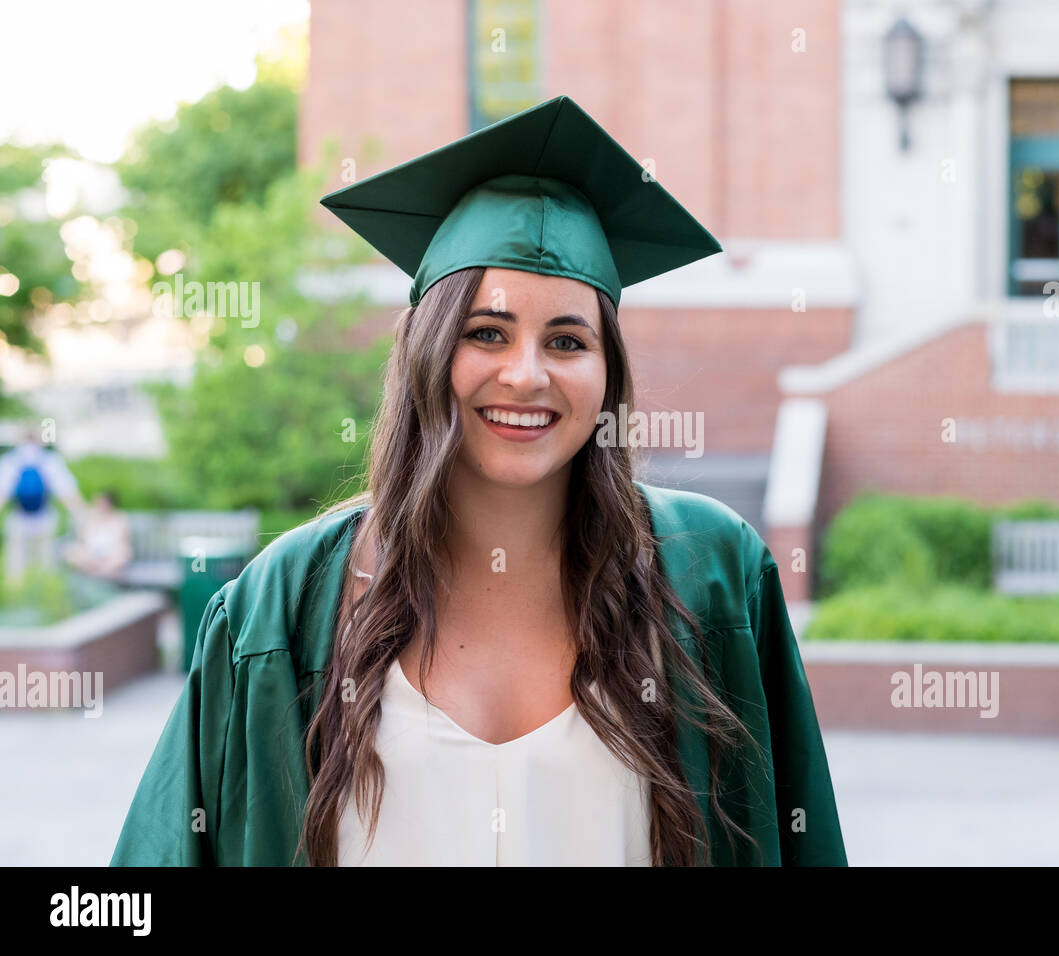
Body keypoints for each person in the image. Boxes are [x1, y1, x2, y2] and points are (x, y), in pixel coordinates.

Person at [110, 95, 847, 867]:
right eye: (486, 332)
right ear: (429, 352)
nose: (526, 375)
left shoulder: (712, 573)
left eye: (567, 340)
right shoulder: (283, 604)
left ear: (608, 374)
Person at [0, 426, 85, 588]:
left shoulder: (11, 461)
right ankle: (41, 594)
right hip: (41, 518)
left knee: (17, 566)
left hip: (21, 518)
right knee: (45, 563)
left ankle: (20, 595)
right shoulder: (48, 460)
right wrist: (81, 514)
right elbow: (66, 491)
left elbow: (2, 493)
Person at [63, 490, 132, 578]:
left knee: (124, 553)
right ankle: (102, 571)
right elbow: (82, 539)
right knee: (72, 552)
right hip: (91, 553)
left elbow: (124, 541)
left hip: (112, 553)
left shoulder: (119, 518)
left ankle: (99, 571)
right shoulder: (90, 516)